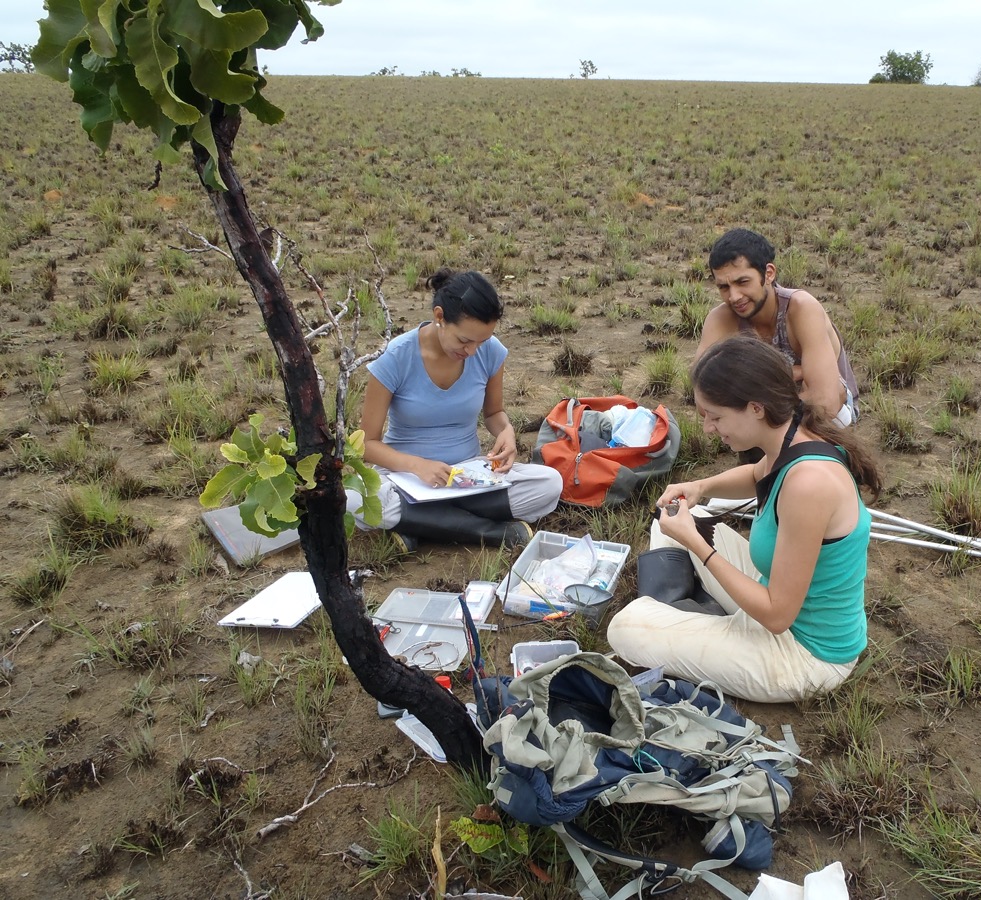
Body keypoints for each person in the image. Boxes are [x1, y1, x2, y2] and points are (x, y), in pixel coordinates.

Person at [606, 336, 882, 703]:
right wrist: (700, 486)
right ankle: (694, 624)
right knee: (679, 515)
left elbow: (777, 615)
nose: (707, 428)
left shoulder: (810, 484)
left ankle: (685, 623)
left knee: (625, 627)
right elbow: (757, 475)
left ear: (755, 408)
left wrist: (696, 543)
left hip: (801, 654)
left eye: (716, 416)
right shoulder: (792, 433)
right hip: (774, 596)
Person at [350, 269, 562, 549]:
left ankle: (420, 524)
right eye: (464, 340)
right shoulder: (396, 357)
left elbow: (493, 414)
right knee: (354, 497)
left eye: (481, 342)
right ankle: (489, 532)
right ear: (440, 317)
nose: (473, 351)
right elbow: (366, 444)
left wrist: (507, 432)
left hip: (465, 477)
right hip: (404, 478)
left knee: (549, 483)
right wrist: (418, 466)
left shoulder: (491, 352)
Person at [696, 228, 859, 427]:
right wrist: (794, 372)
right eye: (724, 287)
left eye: (743, 282)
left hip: (825, 415)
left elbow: (828, 401)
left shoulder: (801, 308)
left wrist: (751, 397)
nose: (734, 296)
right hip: (762, 411)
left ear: (769, 273)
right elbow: (704, 400)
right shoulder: (720, 319)